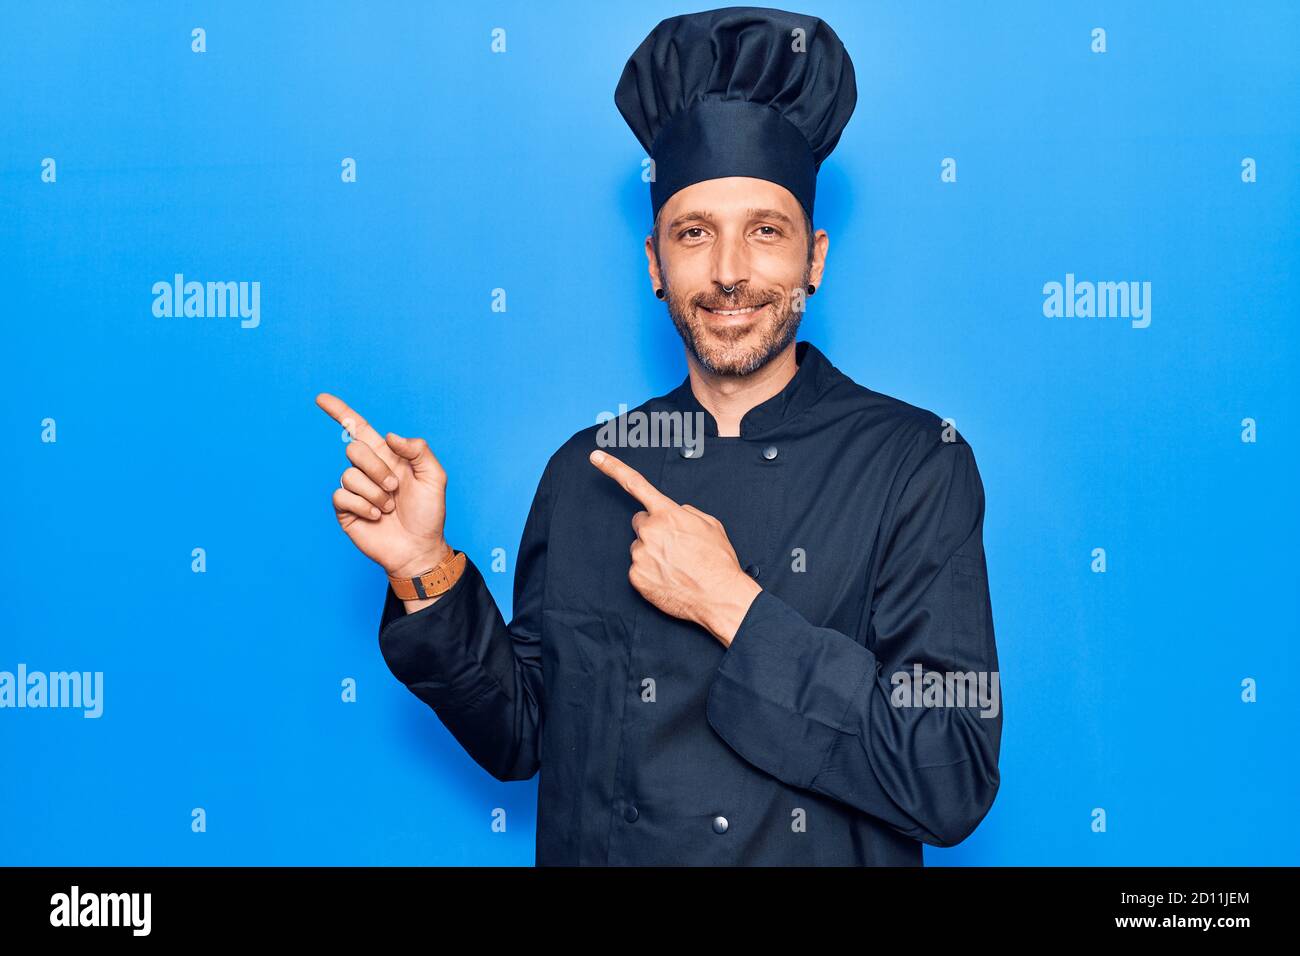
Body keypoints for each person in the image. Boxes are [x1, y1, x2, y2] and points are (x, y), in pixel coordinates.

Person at [316, 5, 1001, 866]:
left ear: (815, 259)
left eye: (765, 230)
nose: (727, 272)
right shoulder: (585, 471)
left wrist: (728, 603)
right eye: (693, 234)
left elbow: (950, 775)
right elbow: (524, 735)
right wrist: (424, 567)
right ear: (655, 264)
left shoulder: (914, 464)